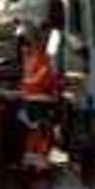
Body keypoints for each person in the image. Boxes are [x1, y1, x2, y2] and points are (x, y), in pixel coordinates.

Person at [18, 24, 59, 173]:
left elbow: (29, 79)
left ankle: (30, 160)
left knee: (33, 131)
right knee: (42, 132)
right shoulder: (42, 59)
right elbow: (47, 79)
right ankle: (39, 161)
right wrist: (55, 90)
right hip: (41, 100)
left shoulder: (30, 60)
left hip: (30, 100)